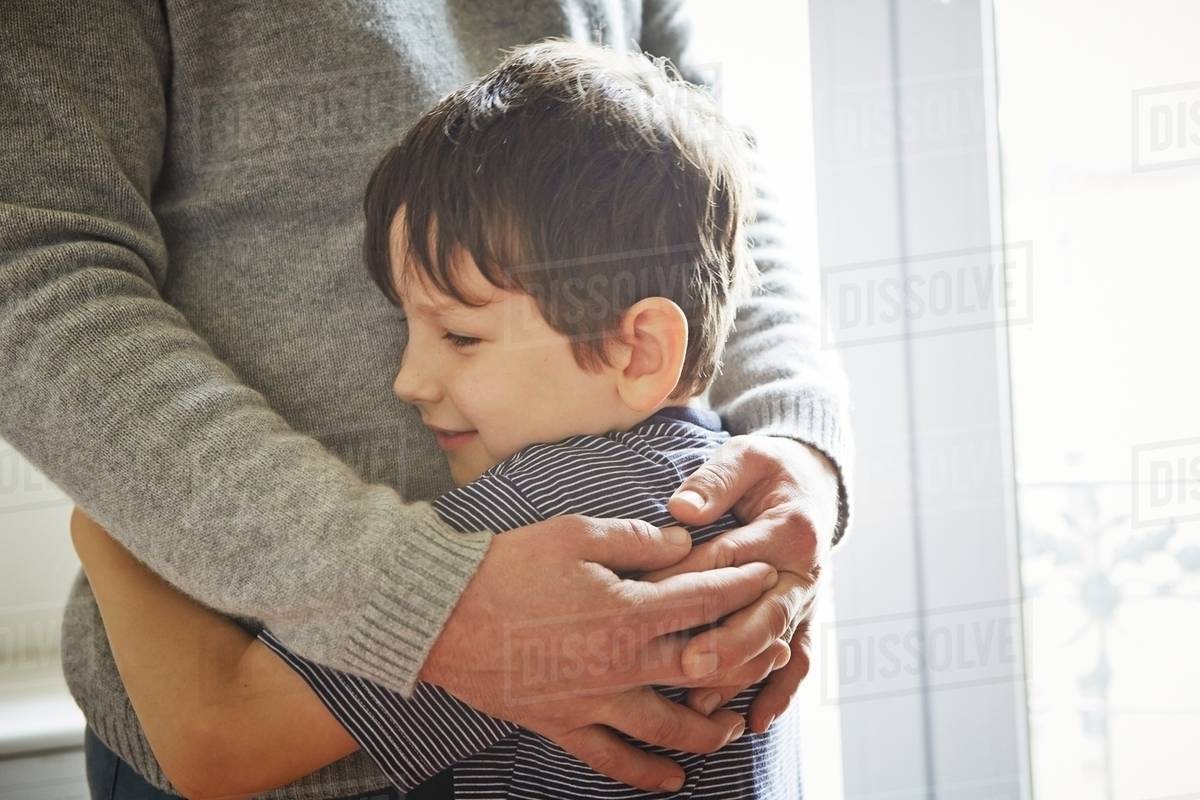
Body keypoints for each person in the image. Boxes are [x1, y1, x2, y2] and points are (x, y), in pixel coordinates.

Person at [0, 3, 850, 798]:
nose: (408, 382)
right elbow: (30, 252)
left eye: (462, 334)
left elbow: (216, 739)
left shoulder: (549, 518)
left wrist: (106, 528)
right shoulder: (703, 497)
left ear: (641, 350)